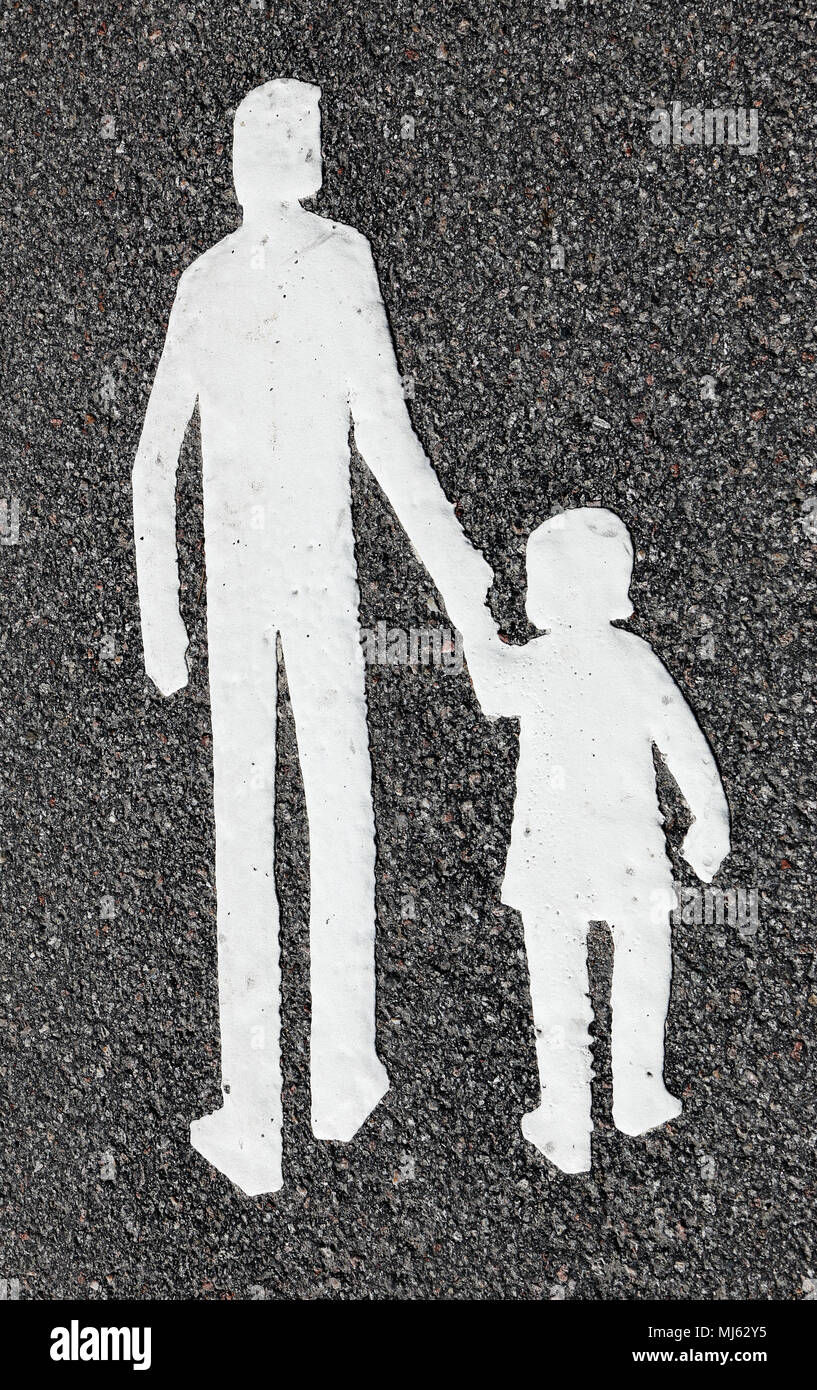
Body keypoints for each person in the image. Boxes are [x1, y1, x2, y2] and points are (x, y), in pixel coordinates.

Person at [132, 79, 493, 1194]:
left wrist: (451, 565)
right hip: (255, 583)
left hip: (291, 578)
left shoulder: (326, 261)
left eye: (291, 135)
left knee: (318, 807)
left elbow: (378, 429)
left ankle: (328, 1071)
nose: (280, 152)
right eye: (267, 135)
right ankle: (274, 1096)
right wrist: (163, 610)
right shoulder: (222, 279)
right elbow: (155, 461)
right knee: (279, 819)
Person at [467, 508, 730, 1173]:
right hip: (625, 842)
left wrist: (469, 618)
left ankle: (566, 1109)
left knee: (558, 984)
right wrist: (708, 814)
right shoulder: (630, 657)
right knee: (641, 962)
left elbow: (493, 686)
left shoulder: (543, 660)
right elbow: (679, 737)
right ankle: (635, 1088)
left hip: (552, 846)